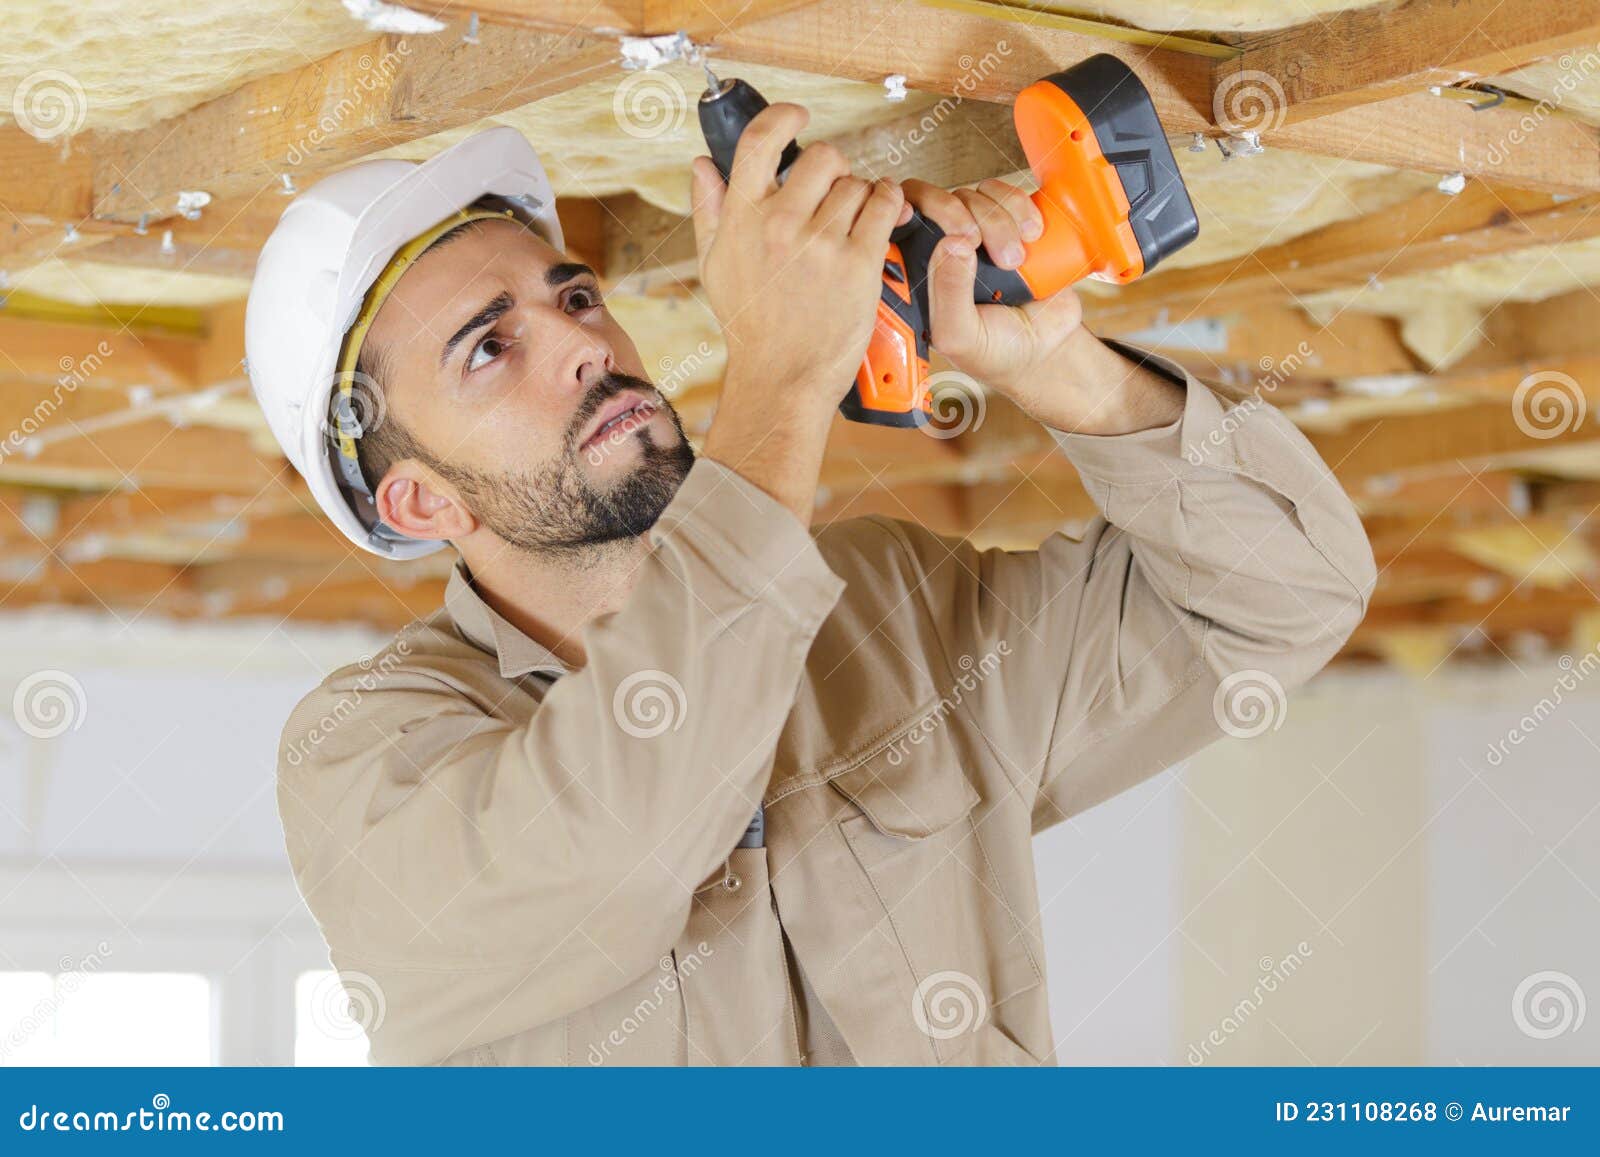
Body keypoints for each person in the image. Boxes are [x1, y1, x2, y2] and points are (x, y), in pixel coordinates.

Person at [245, 107, 1374, 1066]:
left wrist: (1051, 364)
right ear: (424, 506)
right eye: (489, 350)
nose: (583, 347)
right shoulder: (368, 755)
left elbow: (1288, 592)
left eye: (575, 298)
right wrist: (779, 379)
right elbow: (620, 837)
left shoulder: (884, 607)